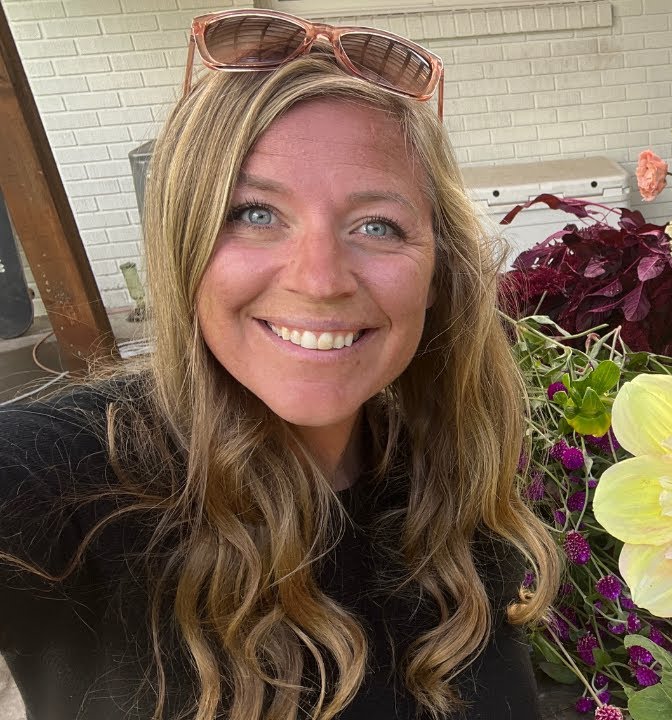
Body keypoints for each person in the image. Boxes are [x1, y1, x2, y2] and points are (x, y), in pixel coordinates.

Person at [0, 9, 559, 720]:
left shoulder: (451, 487)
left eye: (377, 226)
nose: (320, 279)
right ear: (184, 242)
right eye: (255, 213)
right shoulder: (63, 486)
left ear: (438, 271)